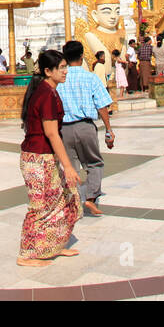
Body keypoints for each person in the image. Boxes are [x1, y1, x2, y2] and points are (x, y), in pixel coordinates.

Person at [17, 48, 81, 266]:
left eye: (65, 67)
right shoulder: (46, 95)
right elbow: (52, 133)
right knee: (39, 206)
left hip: (44, 157)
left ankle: (52, 245)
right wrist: (68, 166)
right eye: (61, 68)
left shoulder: (49, 91)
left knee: (64, 199)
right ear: (47, 71)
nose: (65, 72)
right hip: (37, 158)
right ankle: (27, 254)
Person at [58, 40, 115, 217]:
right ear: (82, 55)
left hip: (65, 129)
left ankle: (75, 204)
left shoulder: (59, 79)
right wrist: (108, 130)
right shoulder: (90, 78)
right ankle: (90, 198)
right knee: (94, 163)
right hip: (86, 127)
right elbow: (102, 106)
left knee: (71, 167)